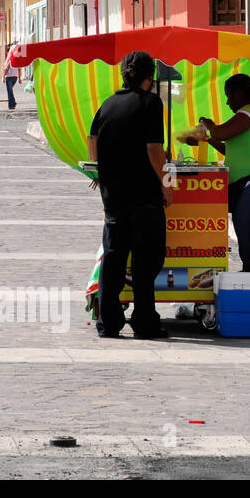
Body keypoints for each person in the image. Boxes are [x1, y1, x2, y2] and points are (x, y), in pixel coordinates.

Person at [87, 50, 174, 339]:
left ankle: (108, 323)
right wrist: (167, 184)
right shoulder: (151, 103)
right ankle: (145, 322)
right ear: (150, 77)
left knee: (113, 258)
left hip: (113, 196)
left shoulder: (109, 102)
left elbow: (93, 138)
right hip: (144, 196)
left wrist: (99, 171)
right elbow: (154, 149)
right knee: (146, 260)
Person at [196, 74, 250, 272]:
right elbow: (227, 148)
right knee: (248, 251)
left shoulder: (248, 112)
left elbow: (220, 133)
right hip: (249, 189)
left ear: (239, 93)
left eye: (228, 96)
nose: (227, 101)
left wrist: (208, 124)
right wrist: (207, 139)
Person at [4, 46, 19, 111]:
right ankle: (13, 103)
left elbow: (6, 68)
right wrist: (20, 77)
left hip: (9, 77)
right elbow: (19, 68)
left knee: (9, 91)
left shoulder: (9, 59)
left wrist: (3, 76)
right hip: (15, 77)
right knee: (10, 90)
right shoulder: (16, 58)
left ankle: (11, 105)